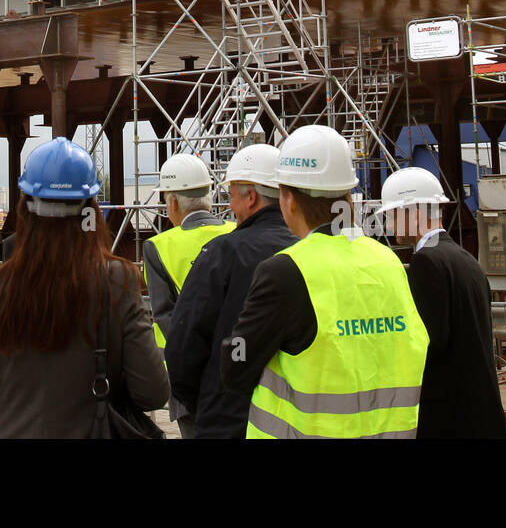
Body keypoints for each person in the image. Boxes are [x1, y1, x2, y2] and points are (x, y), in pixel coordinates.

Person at [220, 126, 430, 439]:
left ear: (288, 200)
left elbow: (236, 367)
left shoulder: (286, 271)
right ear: (348, 194)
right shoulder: (389, 262)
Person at [0, 137, 168, 438]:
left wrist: (19, 401)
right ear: (90, 211)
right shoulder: (118, 280)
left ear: (25, 210)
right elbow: (153, 392)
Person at [165, 142, 295, 438]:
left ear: (250, 198)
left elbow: (182, 348)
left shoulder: (221, 254)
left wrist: (209, 402)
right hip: (294, 423)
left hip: (228, 422)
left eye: (231, 195)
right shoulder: (306, 249)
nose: (230, 206)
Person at [380, 166, 506, 438]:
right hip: (479, 413)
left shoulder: (427, 261)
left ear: (414, 215)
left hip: (449, 417)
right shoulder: (466, 259)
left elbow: (428, 342)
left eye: (392, 216)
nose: (389, 226)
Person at [142, 152, 234, 437]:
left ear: (171, 201)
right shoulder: (237, 233)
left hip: (187, 382)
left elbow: (165, 315)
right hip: (238, 371)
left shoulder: (158, 247)